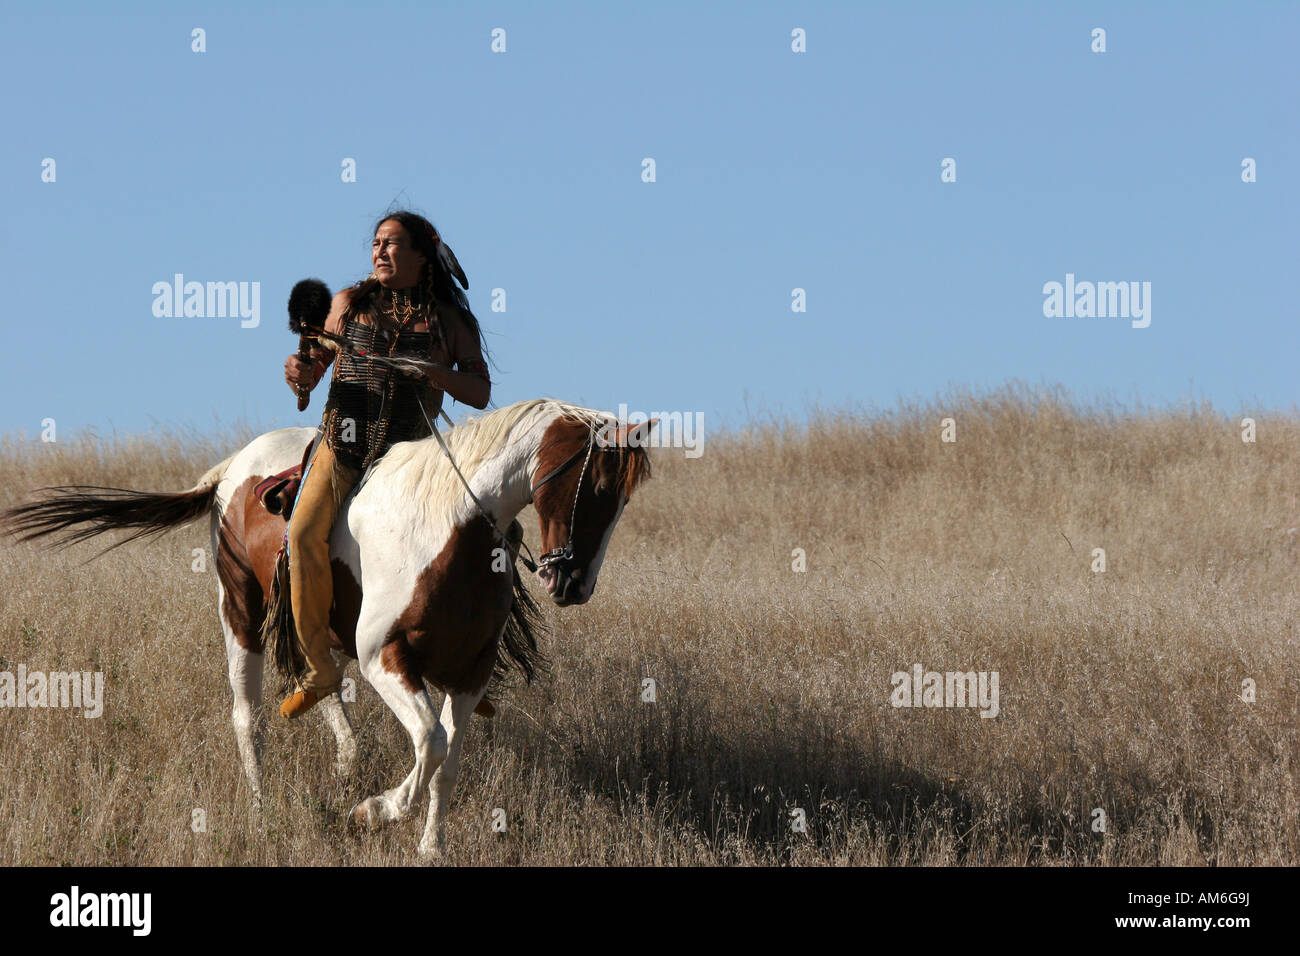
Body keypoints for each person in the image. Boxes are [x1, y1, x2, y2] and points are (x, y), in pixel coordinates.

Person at [279, 211, 491, 719]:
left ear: (421, 254)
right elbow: (312, 372)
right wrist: (299, 374)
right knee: (302, 533)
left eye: (391, 243)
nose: (378, 251)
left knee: (491, 540)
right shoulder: (349, 305)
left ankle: (468, 670)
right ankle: (320, 669)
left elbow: (480, 392)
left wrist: (436, 373)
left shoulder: (451, 322)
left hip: (411, 462)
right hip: (343, 450)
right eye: (374, 242)